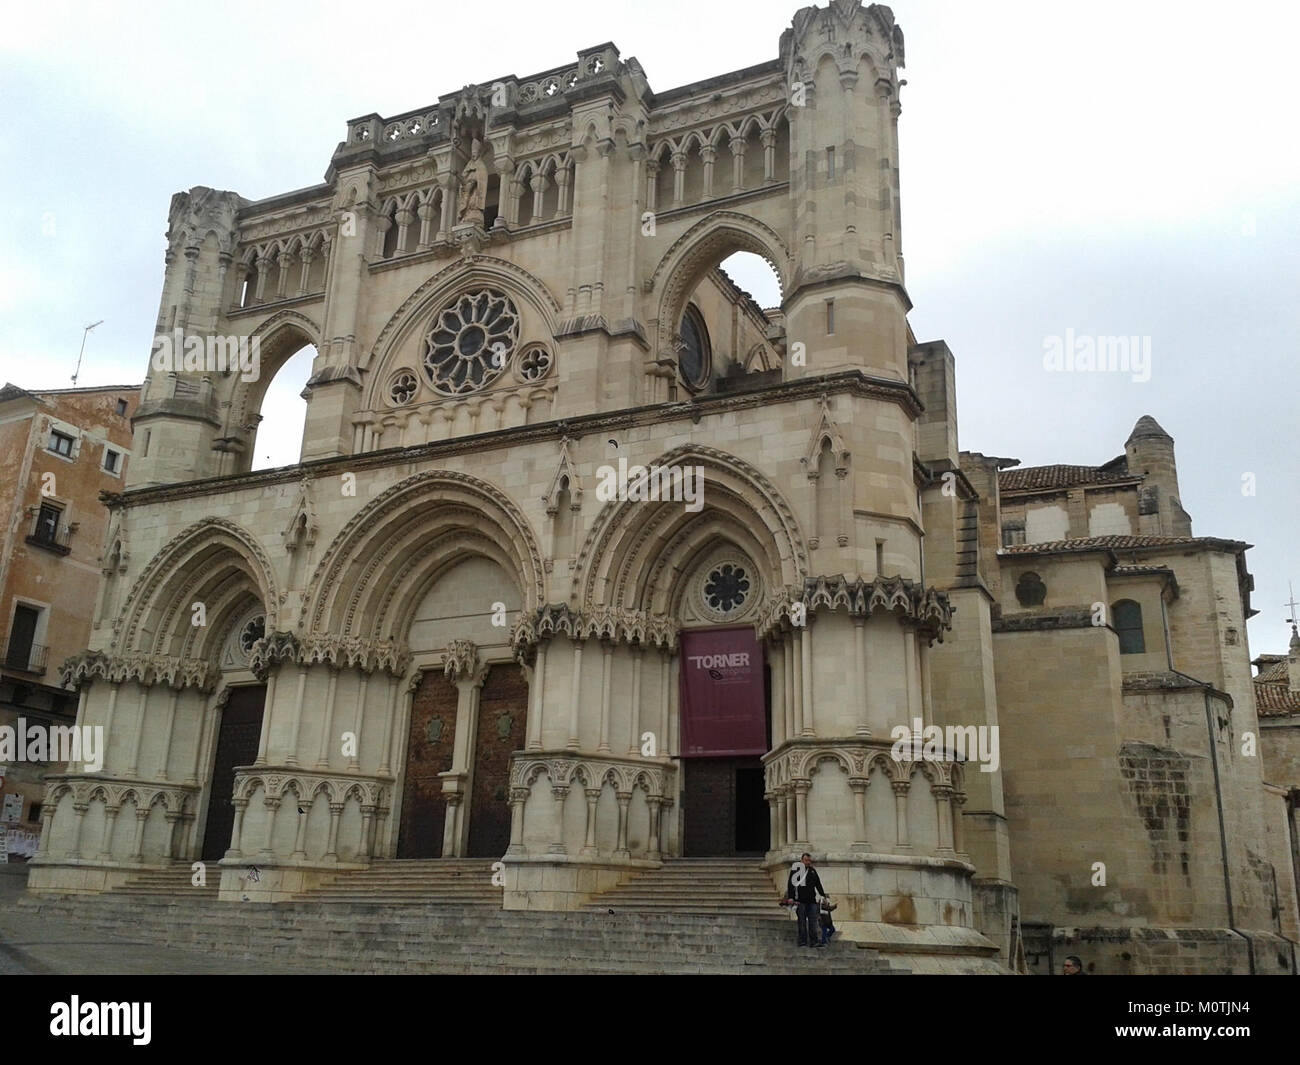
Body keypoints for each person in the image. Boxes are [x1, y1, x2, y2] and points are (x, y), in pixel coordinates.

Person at [785, 852, 827, 948]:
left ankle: (814, 941)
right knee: (802, 922)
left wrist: (823, 895)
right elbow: (791, 884)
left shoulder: (812, 871)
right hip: (800, 901)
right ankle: (802, 941)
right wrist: (791, 897)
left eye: (809, 860)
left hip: (811, 901)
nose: (808, 862)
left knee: (813, 922)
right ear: (801, 860)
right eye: (806, 860)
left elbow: (818, 884)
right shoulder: (796, 871)